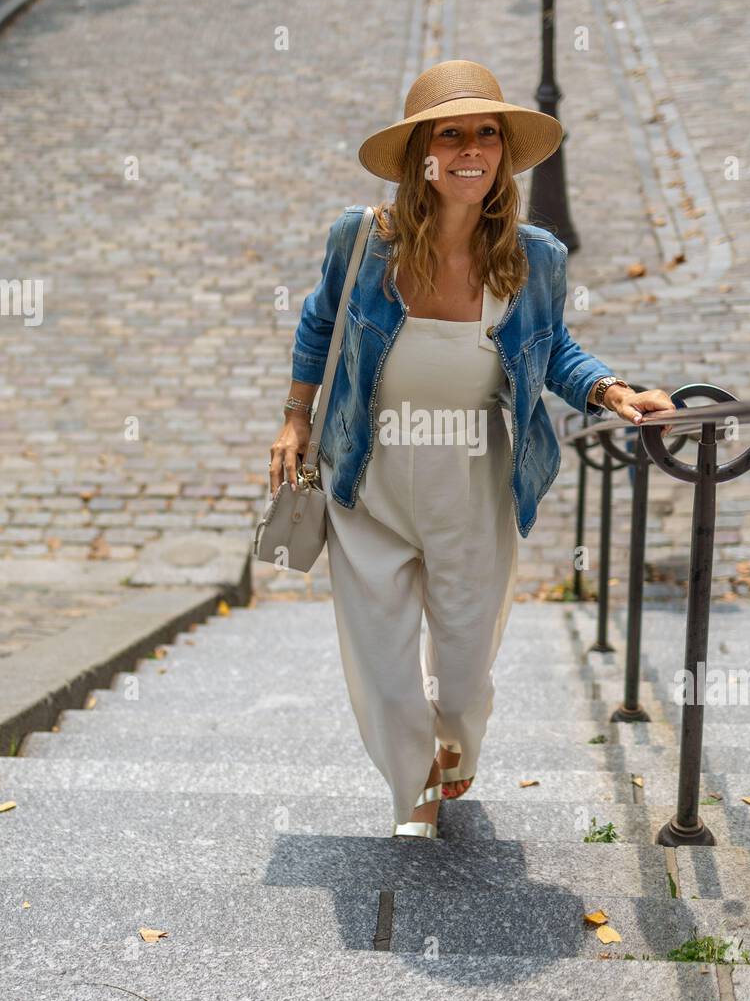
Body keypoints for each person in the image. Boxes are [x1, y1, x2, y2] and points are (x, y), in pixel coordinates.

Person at [270, 60, 674, 841]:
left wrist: (610, 390)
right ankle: (413, 784)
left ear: (503, 153)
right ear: (421, 152)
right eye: (450, 133)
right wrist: (295, 418)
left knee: (463, 673)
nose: (470, 148)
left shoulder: (536, 256)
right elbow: (320, 323)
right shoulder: (362, 241)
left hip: (476, 479)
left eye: (485, 133)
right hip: (370, 473)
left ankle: (454, 741)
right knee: (384, 661)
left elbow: (552, 348)